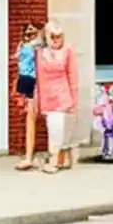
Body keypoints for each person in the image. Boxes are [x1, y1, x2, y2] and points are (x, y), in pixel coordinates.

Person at [36, 20, 78, 173]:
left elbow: (72, 76)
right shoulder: (41, 53)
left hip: (63, 96)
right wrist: (39, 101)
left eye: (59, 36)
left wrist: (74, 101)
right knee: (54, 129)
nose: (56, 40)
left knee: (60, 130)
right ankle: (61, 159)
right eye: (53, 36)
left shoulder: (68, 51)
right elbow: (39, 79)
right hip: (48, 97)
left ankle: (56, 161)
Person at [13, 22, 43, 171]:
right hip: (25, 79)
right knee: (28, 116)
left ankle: (31, 155)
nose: (29, 33)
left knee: (33, 116)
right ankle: (28, 155)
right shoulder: (23, 45)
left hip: (35, 80)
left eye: (33, 30)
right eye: (27, 30)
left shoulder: (39, 47)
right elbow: (18, 62)